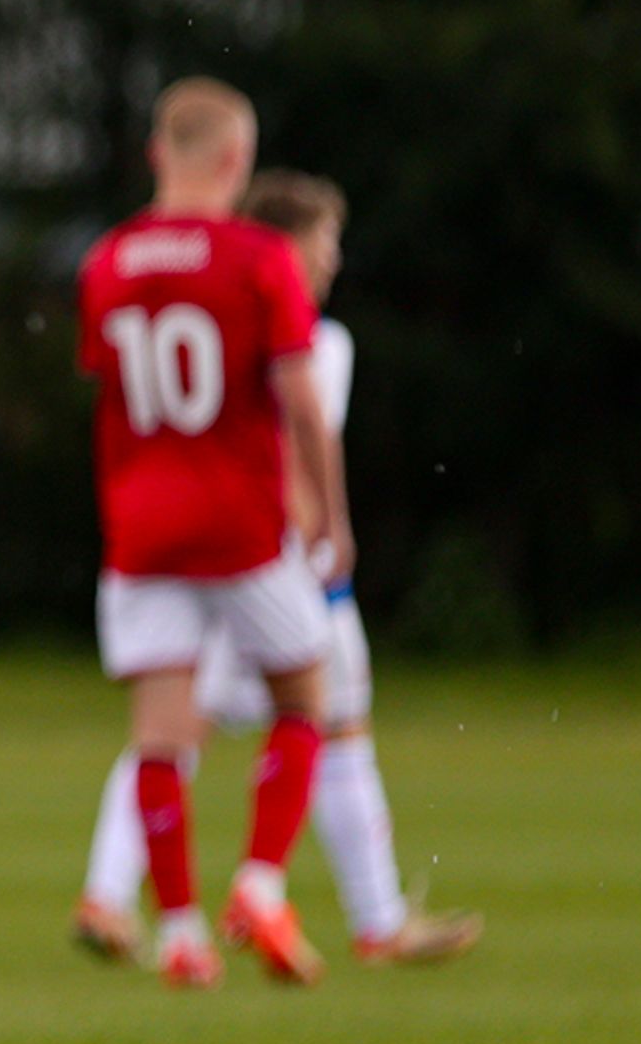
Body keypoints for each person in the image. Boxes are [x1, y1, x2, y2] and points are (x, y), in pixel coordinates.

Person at [75, 170, 473, 968]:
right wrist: (328, 533)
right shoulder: (294, 327)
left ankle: (364, 916)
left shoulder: (189, 292)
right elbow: (296, 433)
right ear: (287, 246)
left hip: (217, 549)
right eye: (325, 242)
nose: (334, 260)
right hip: (266, 562)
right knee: (219, 728)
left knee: (253, 730)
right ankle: (240, 897)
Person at [64, 80, 352, 989]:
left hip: (143, 527)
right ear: (236, 161)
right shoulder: (259, 258)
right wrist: (332, 516)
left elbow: (109, 388)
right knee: (309, 695)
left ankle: (181, 931)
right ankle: (261, 884)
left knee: (159, 733)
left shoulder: (106, 262)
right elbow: (302, 404)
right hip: (239, 520)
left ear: (158, 155)